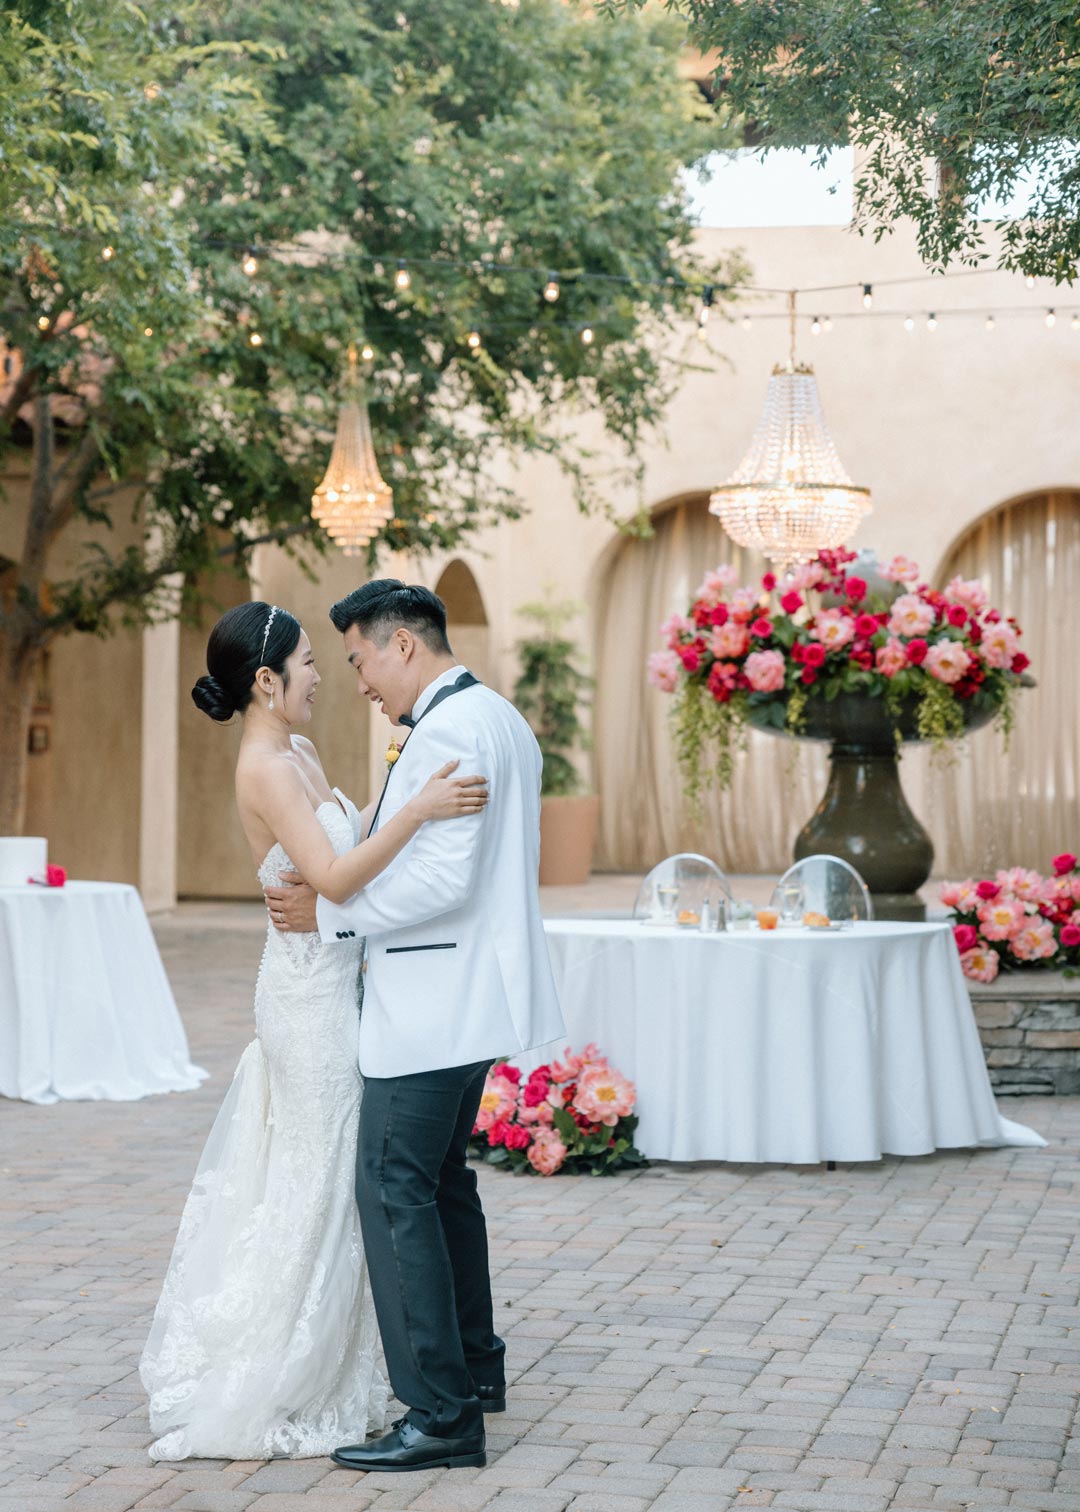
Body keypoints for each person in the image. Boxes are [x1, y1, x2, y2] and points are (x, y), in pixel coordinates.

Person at [140, 600, 488, 1461]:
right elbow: (333, 878)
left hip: (341, 985)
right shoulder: (260, 766)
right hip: (304, 1001)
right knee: (322, 1177)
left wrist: (396, 800)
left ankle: (358, 1365)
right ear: (264, 681)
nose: (324, 675)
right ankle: (287, 1364)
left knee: (342, 1181)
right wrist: (421, 812)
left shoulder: (298, 749)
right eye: (305, 663)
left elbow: (346, 835)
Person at [264, 579, 565, 1474]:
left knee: (393, 1189)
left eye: (357, 657)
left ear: (401, 644)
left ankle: (439, 1414)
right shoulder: (495, 716)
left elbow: (444, 883)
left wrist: (326, 917)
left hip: (435, 1003)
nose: (357, 678)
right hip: (468, 1000)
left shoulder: (450, 729)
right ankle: (473, 1372)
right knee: (440, 1184)